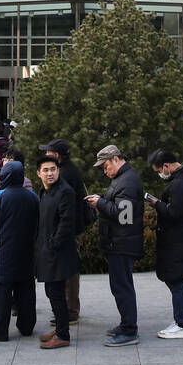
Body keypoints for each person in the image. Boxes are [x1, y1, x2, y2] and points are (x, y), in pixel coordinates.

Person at [87, 144, 144, 347]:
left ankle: (129, 330)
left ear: (117, 159)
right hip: (118, 241)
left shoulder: (127, 181)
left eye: (105, 166)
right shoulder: (121, 179)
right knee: (120, 286)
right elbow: (119, 205)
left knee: (122, 287)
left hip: (122, 243)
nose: (104, 170)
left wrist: (100, 203)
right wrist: (102, 199)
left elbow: (125, 215)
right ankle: (126, 324)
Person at [0, 160, 39, 341]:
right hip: (26, 252)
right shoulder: (33, 197)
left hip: (0, 255)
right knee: (26, 291)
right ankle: (27, 327)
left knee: (1, 293)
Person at [146, 148, 183, 339]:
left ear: (167, 166)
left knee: (176, 281)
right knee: (177, 280)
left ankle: (181, 324)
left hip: (176, 240)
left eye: (159, 170)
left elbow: (174, 213)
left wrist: (155, 203)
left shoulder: (179, 184)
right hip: (180, 239)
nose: (159, 174)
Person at [40, 139, 90, 325]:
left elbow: (63, 210)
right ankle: (67, 309)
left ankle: (69, 311)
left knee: (67, 270)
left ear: (57, 156)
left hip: (67, 231)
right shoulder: (68, 170)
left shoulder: (65, 174)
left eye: (48, 153)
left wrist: (56, 236)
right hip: (69, 229)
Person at [35, 151, 80, 349]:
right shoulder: (45, 191)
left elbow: (67, 222)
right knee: (51, 291)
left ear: (59, 170)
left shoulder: (65, 191)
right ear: (39, 173)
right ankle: (60, 327)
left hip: (58, 252)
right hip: (47, 249)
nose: (50, 173)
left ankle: (63, 334)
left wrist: (53, 244)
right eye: (45, 170)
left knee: (56, 292)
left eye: (53, 169)